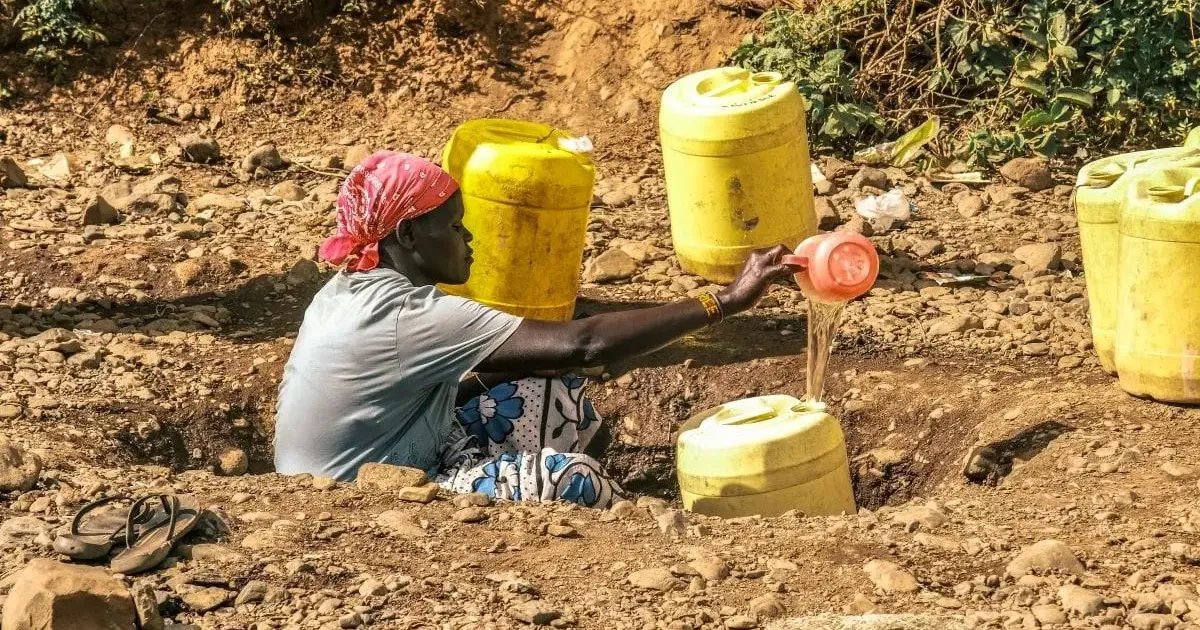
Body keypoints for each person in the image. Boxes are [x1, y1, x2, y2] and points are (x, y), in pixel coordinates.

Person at [274, 151, 794, 509]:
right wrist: (723, 300)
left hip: (394, 453)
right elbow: (582, 342)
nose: (468, 237)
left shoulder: (353, 289)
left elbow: (405, 388)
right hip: (358, 497)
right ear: (407, 233)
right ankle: (633, 533)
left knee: (548, 395)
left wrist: (518, 364)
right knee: (573, 477)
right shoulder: (407, 314)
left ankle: (548, 512)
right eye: (454, 225)